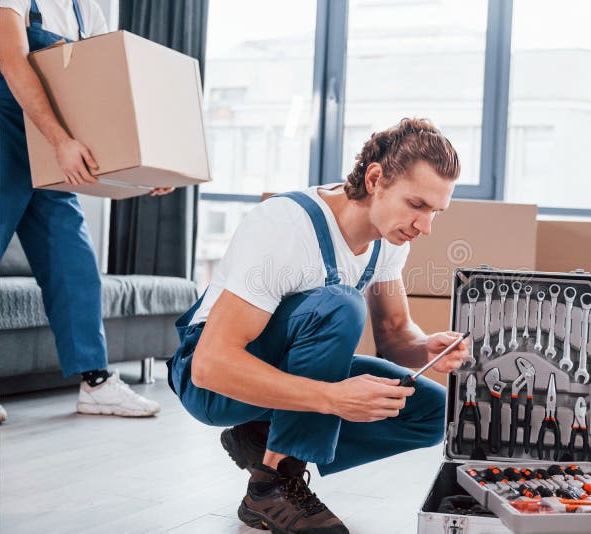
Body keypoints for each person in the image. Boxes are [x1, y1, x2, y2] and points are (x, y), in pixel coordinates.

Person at [167, 118, 470, 533]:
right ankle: (273, 484)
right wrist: (330, 398)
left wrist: (426, 350)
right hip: (209, 380)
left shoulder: (388, 238)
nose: (426, 226)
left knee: (430, 412)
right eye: (417, 205)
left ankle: (262, 439)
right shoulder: (286, 228)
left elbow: (397, 334)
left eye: (436, 211)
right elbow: (210, 365)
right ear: (376, 177)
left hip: (280, 372)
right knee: (340, 304)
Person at [0, 0, 172, 421]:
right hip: (6, 130)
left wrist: (144, 164)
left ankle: (95, 382)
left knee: (73, 261)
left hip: (47, 144)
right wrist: (59, 141)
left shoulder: (86, 10)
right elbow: (11, 59)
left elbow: (102, 91)